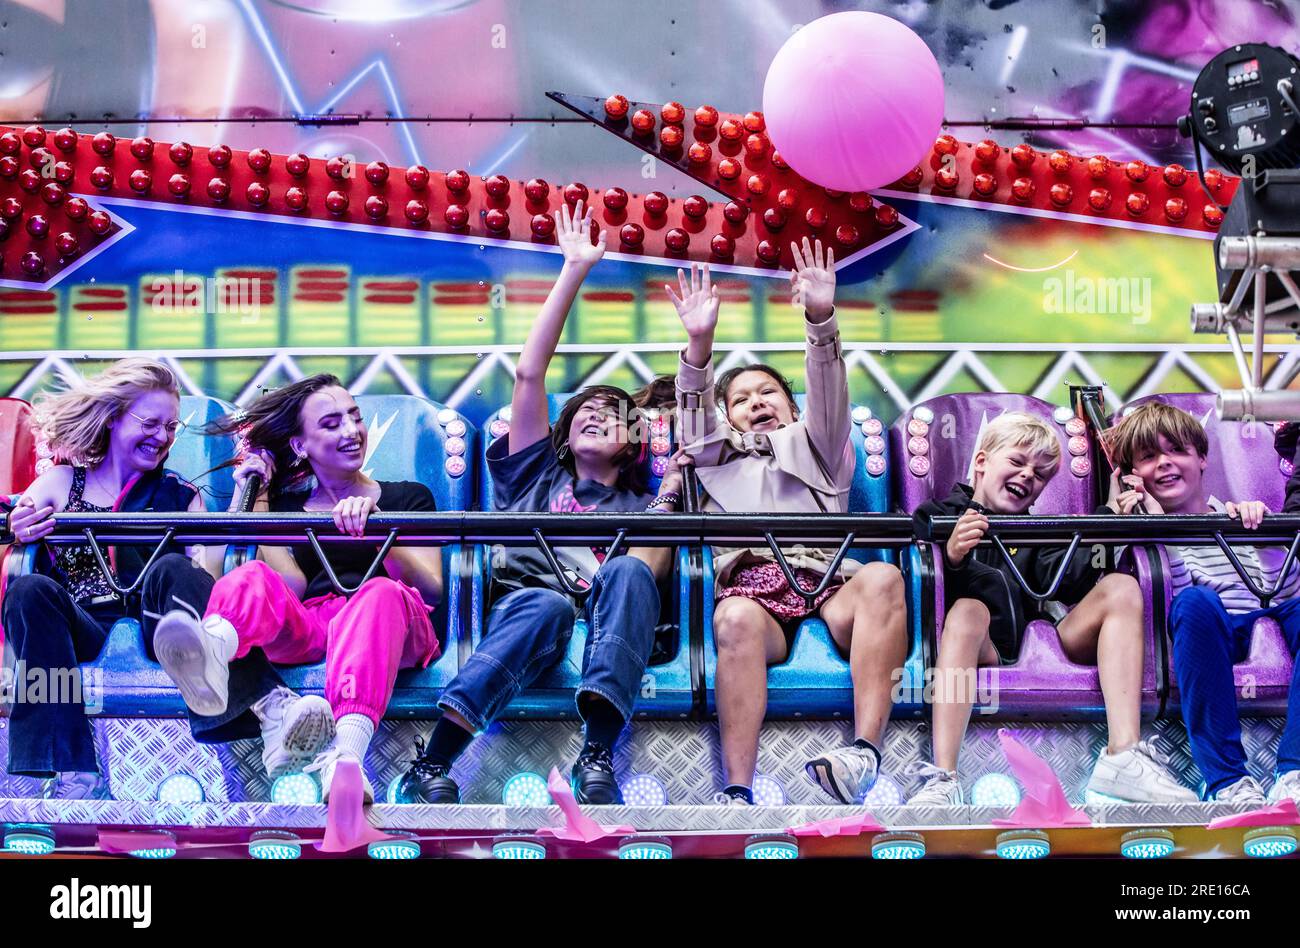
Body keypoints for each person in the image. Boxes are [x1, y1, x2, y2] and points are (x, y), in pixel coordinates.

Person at [396, 200, 683, 805]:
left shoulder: (643, 504)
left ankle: (597, 754)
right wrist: (573, 269)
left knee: (628, 569)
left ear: (635, 442)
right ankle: (433, 761)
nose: (596, 415)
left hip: (617, 623)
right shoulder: (534, 475)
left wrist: (669, 498)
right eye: (584, 410)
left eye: (614, 413)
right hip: (536, 612)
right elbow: (529, 375)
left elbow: (649, 576)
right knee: (545, 607)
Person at [0, 358, 329, 799]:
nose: (162, 438)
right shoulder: (61, 484)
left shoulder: (179, 495)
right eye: (150, 423)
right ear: (114, 419)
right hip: (84, 628)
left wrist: (245, 498)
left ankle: (270, 705)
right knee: (29, 590)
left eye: (171, 427)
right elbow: (14, 514)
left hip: (163, 629)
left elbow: (209, 579)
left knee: (172, 568)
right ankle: (71, 768)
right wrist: (16, 524)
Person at [671, 242, 908, 806]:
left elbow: (829, 389)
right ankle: (736, 791)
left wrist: (821, 319)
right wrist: (699, 344)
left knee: (884, 579)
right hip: (756, 590)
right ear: (727, 415)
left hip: (828, 580)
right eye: (742, 398)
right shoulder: (711, 454)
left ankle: (863, 756)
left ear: (792, 407)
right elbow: (694, 417)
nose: (756, 402)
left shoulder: (820, 443)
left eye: (768, 392)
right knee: (731, 617)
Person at [154, 374, 443, 803]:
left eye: (355, 418)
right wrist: (261, 499)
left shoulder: (408, 496)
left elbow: (432, 589)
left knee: (376, 594)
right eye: (331, 424)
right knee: (251, 577)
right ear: (300, 446)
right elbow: (289, 583)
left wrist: (378, 526)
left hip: (392, 621)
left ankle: (345, 760)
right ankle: (213, 652)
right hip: (317, 619)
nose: (351, 431)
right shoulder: (292, 507)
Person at [907, 411, 1195, 805]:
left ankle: (1123, 755)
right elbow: (921, 593)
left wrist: (1110, 515)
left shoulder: (1037, 533)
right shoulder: (936, 516)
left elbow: (1064, 576)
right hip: (973, 645)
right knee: (968, 611)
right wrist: (952, 556)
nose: (1028, 475)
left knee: (1122, 588)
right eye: (1017, 462)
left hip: (1034, 637)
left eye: (1040, 474)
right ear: (982, 462)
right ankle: (944, 775)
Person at [1104, 402, 1300, 806]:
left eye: (1176, 450)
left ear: (1202, 458)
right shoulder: (1144, 540)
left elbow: (1284, 594)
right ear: (1130, 477)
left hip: (1262, 617)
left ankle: (1295, 772)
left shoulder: (1231, 515)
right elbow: (1172, 600)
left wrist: (1261, 540)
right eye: (1148, 457)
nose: (1164, 463)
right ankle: (1227, 781)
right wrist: (1157, 525)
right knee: (1195, 601)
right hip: (1206, 627)